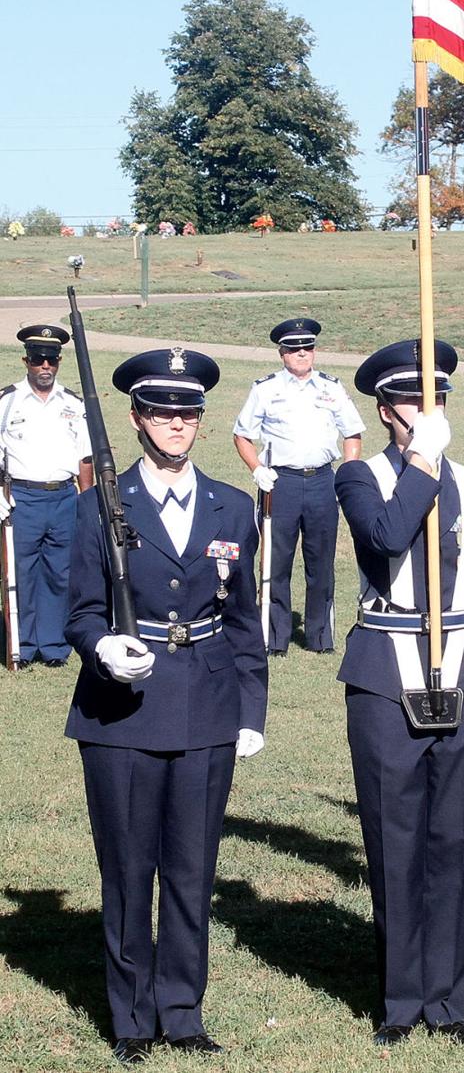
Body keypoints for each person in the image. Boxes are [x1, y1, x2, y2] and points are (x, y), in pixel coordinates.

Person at [64, 347, 267, 1064]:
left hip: (207, 703)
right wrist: (102, 647)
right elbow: (80, 611)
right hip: (122, 710)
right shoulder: (99, 506)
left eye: (188, 413)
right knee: (127, 870)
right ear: (136, 418)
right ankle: (131, 1018)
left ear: (201, 421)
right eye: (160, 412)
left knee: (191, 870)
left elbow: (244, 619)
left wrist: (250, 709)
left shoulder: (232, 507)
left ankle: (182, 1012)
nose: (175, 424)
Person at [335, 338, 464, 1045]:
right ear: (385, 412)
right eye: (412, 401)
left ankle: (447, 1000)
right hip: (387, 673)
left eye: (436, 397)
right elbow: (385, 538)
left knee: (454, 840)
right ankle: (400, 1000)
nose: (427, 410)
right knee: (395, 837)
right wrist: (421, 463)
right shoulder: (360, 477)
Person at [233, 317, 364, 655]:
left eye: (307, 347)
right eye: (294, 349)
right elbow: (243, 434)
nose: (302, 353)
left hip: (322, 481)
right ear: (282, 353)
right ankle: (275, 638)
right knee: (276, 563)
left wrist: (347, 474)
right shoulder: (266, 389)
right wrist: (257, 469)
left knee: (321, 562)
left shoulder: (331, 387)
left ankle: (320, 637)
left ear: (314, 351)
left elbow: (352, 432)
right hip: (281, 482)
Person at [0, 323, 93, 668]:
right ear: (26, 360)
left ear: (59, 362)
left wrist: (87, 500)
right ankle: (22, 645)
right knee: (21, 573)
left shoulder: (73, 403)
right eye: (38, 359)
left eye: (51, 360)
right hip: (22, 498)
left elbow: (85, 457)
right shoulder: (7, 401)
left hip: (64, 498)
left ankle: (53, 645)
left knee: (59, 572)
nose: (45, 366)